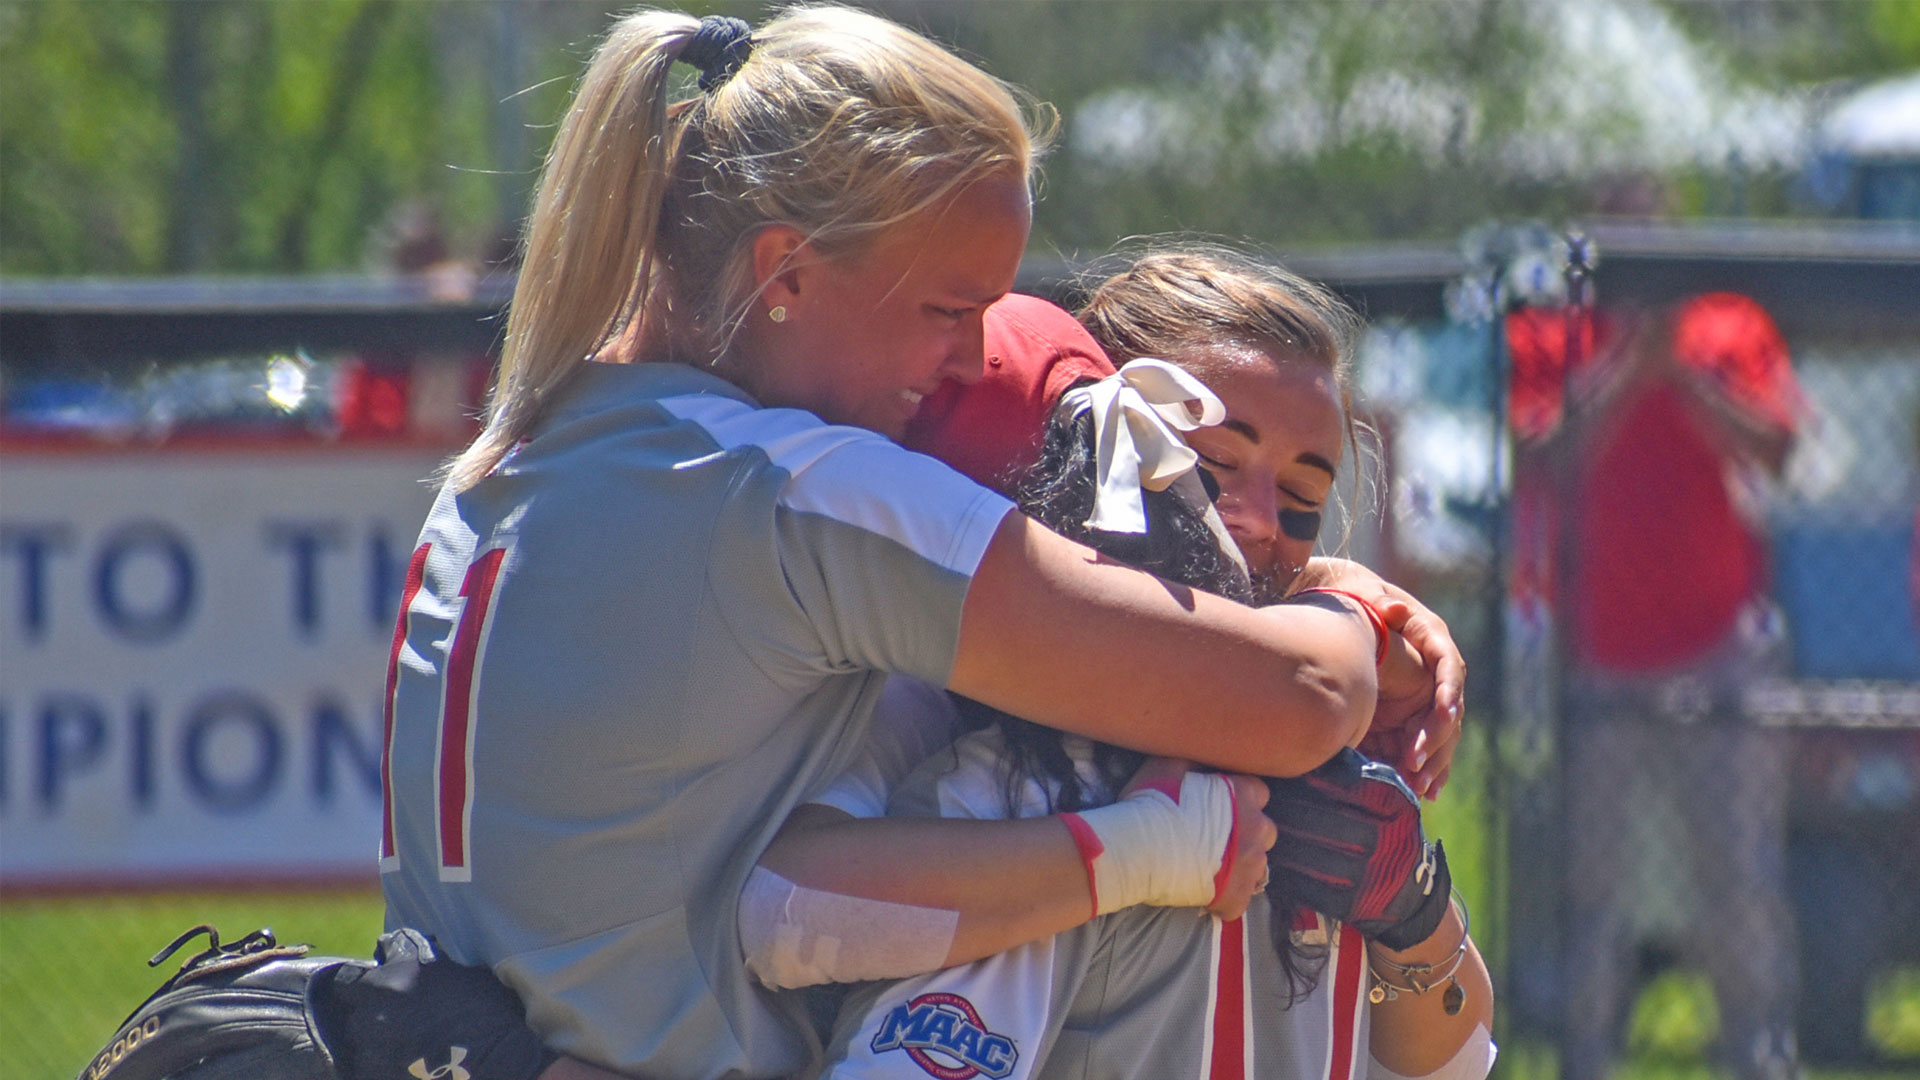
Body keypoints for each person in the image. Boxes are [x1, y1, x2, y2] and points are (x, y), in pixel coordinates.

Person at [380, 10, 1439, 1079]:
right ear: (785, 272)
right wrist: (1353, 608)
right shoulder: (799, 490)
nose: (974, 358)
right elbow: (1298, 697)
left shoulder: (508, 461)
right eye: (948, 308)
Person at [818, 353, 1492, 1080]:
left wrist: (1413, 915)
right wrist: (1138, 851)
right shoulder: (1027, 787)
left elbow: (1457, 1066)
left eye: (1304, 491)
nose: (1263, 519)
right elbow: (782, 918)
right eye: (1218, 461)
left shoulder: (1326, 774)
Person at [1506, 292, 1804, 1080]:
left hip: (1719, 642)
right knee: (1589, 888)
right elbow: (1540, 457)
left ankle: (1758, 1058)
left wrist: (1683, 374)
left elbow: (1778, 448)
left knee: (1737, 875)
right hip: (1595, 648)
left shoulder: (1728, 324)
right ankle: (1583, 1059)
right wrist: (1628, 369)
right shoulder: (1551, 330)